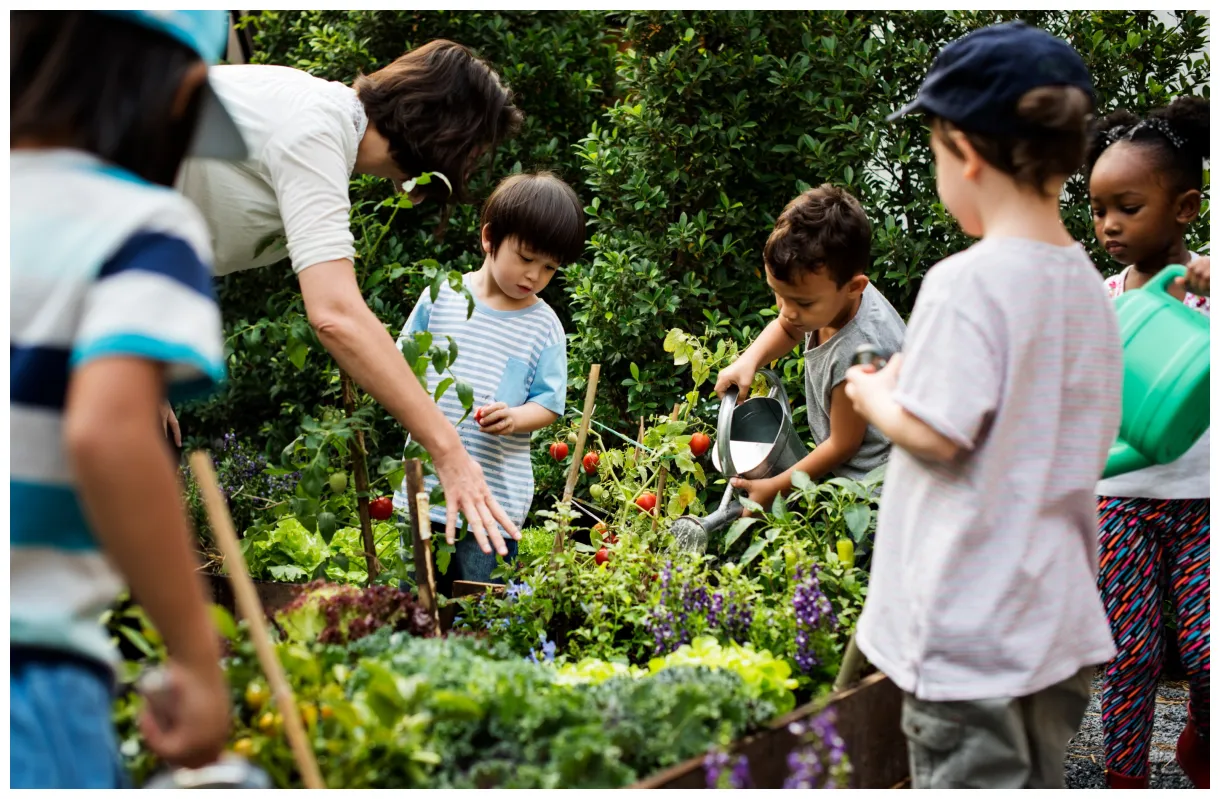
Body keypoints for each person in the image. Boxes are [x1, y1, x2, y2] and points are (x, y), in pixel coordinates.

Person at [843, 22, 1125, 789]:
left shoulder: (966, 282)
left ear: (964, 152)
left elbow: (939, 434)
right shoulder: (1091, 293)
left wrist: (876, 394)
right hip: (1054, 627)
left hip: (971, 639)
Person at [11, 10, 245, 787]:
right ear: (181, 97)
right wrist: (195, 657)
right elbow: (109, 434)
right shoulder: (141, 228)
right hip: (30, 678)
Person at [175, 40, 525, 555]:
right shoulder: (317, 128)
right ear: (443, 131)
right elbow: (336, 314)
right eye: (472, 150)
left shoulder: (317, 115)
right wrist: (448, 450)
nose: (468, 168)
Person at [1085, 95, 1210, 790]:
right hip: (1123, 502)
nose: (1107, 225)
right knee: (1128, 654)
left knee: (1208, 652)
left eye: (1127, 208)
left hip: (1203, 506)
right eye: (1099, 208)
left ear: (1186, 207)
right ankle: (1123, 778)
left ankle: (1200, 740)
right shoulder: (1103, 297)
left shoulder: (1208, 287)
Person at [393, 172, 584, 586]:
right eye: (527, 257)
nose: (534, 276)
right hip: (425, 489)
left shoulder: (544, 326)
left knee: (479, 616)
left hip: (492, 506)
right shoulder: (442, 296)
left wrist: (515, 418)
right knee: (411, 607)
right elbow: (399, 365)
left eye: (550, 267)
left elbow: (549, 404)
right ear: (489, 238)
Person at [714, 185, 906, 507]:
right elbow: (787, 327)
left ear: (854, 286)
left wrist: (775, 488)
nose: (787, 311)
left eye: (801, 302)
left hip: (877, 492)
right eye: (779, 294)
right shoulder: (828, 301)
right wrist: (749, 360)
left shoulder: (858, 353)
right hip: (853, 470)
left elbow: (842, 445)